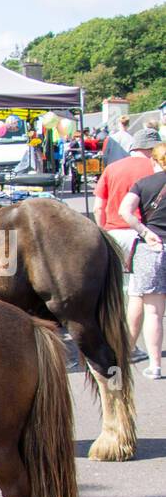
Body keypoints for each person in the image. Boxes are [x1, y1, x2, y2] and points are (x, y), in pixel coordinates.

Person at [97, 128, 160, 364]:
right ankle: (130, 347)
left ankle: (116, 341)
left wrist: (102, 229)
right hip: (142, 235)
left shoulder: (113, 167)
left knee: (115, 293)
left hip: (113, 232)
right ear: (153, 149)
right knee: (138, 295)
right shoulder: (154, 169)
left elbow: (98, 205)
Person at [118, 141, 166, 379]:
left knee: (152, 311)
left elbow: (124, 211)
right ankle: (127, 346)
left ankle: (155, 365)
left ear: (154, 160)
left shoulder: (144, 184)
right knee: (137, 297)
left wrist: (144, 231)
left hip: (152, 248)